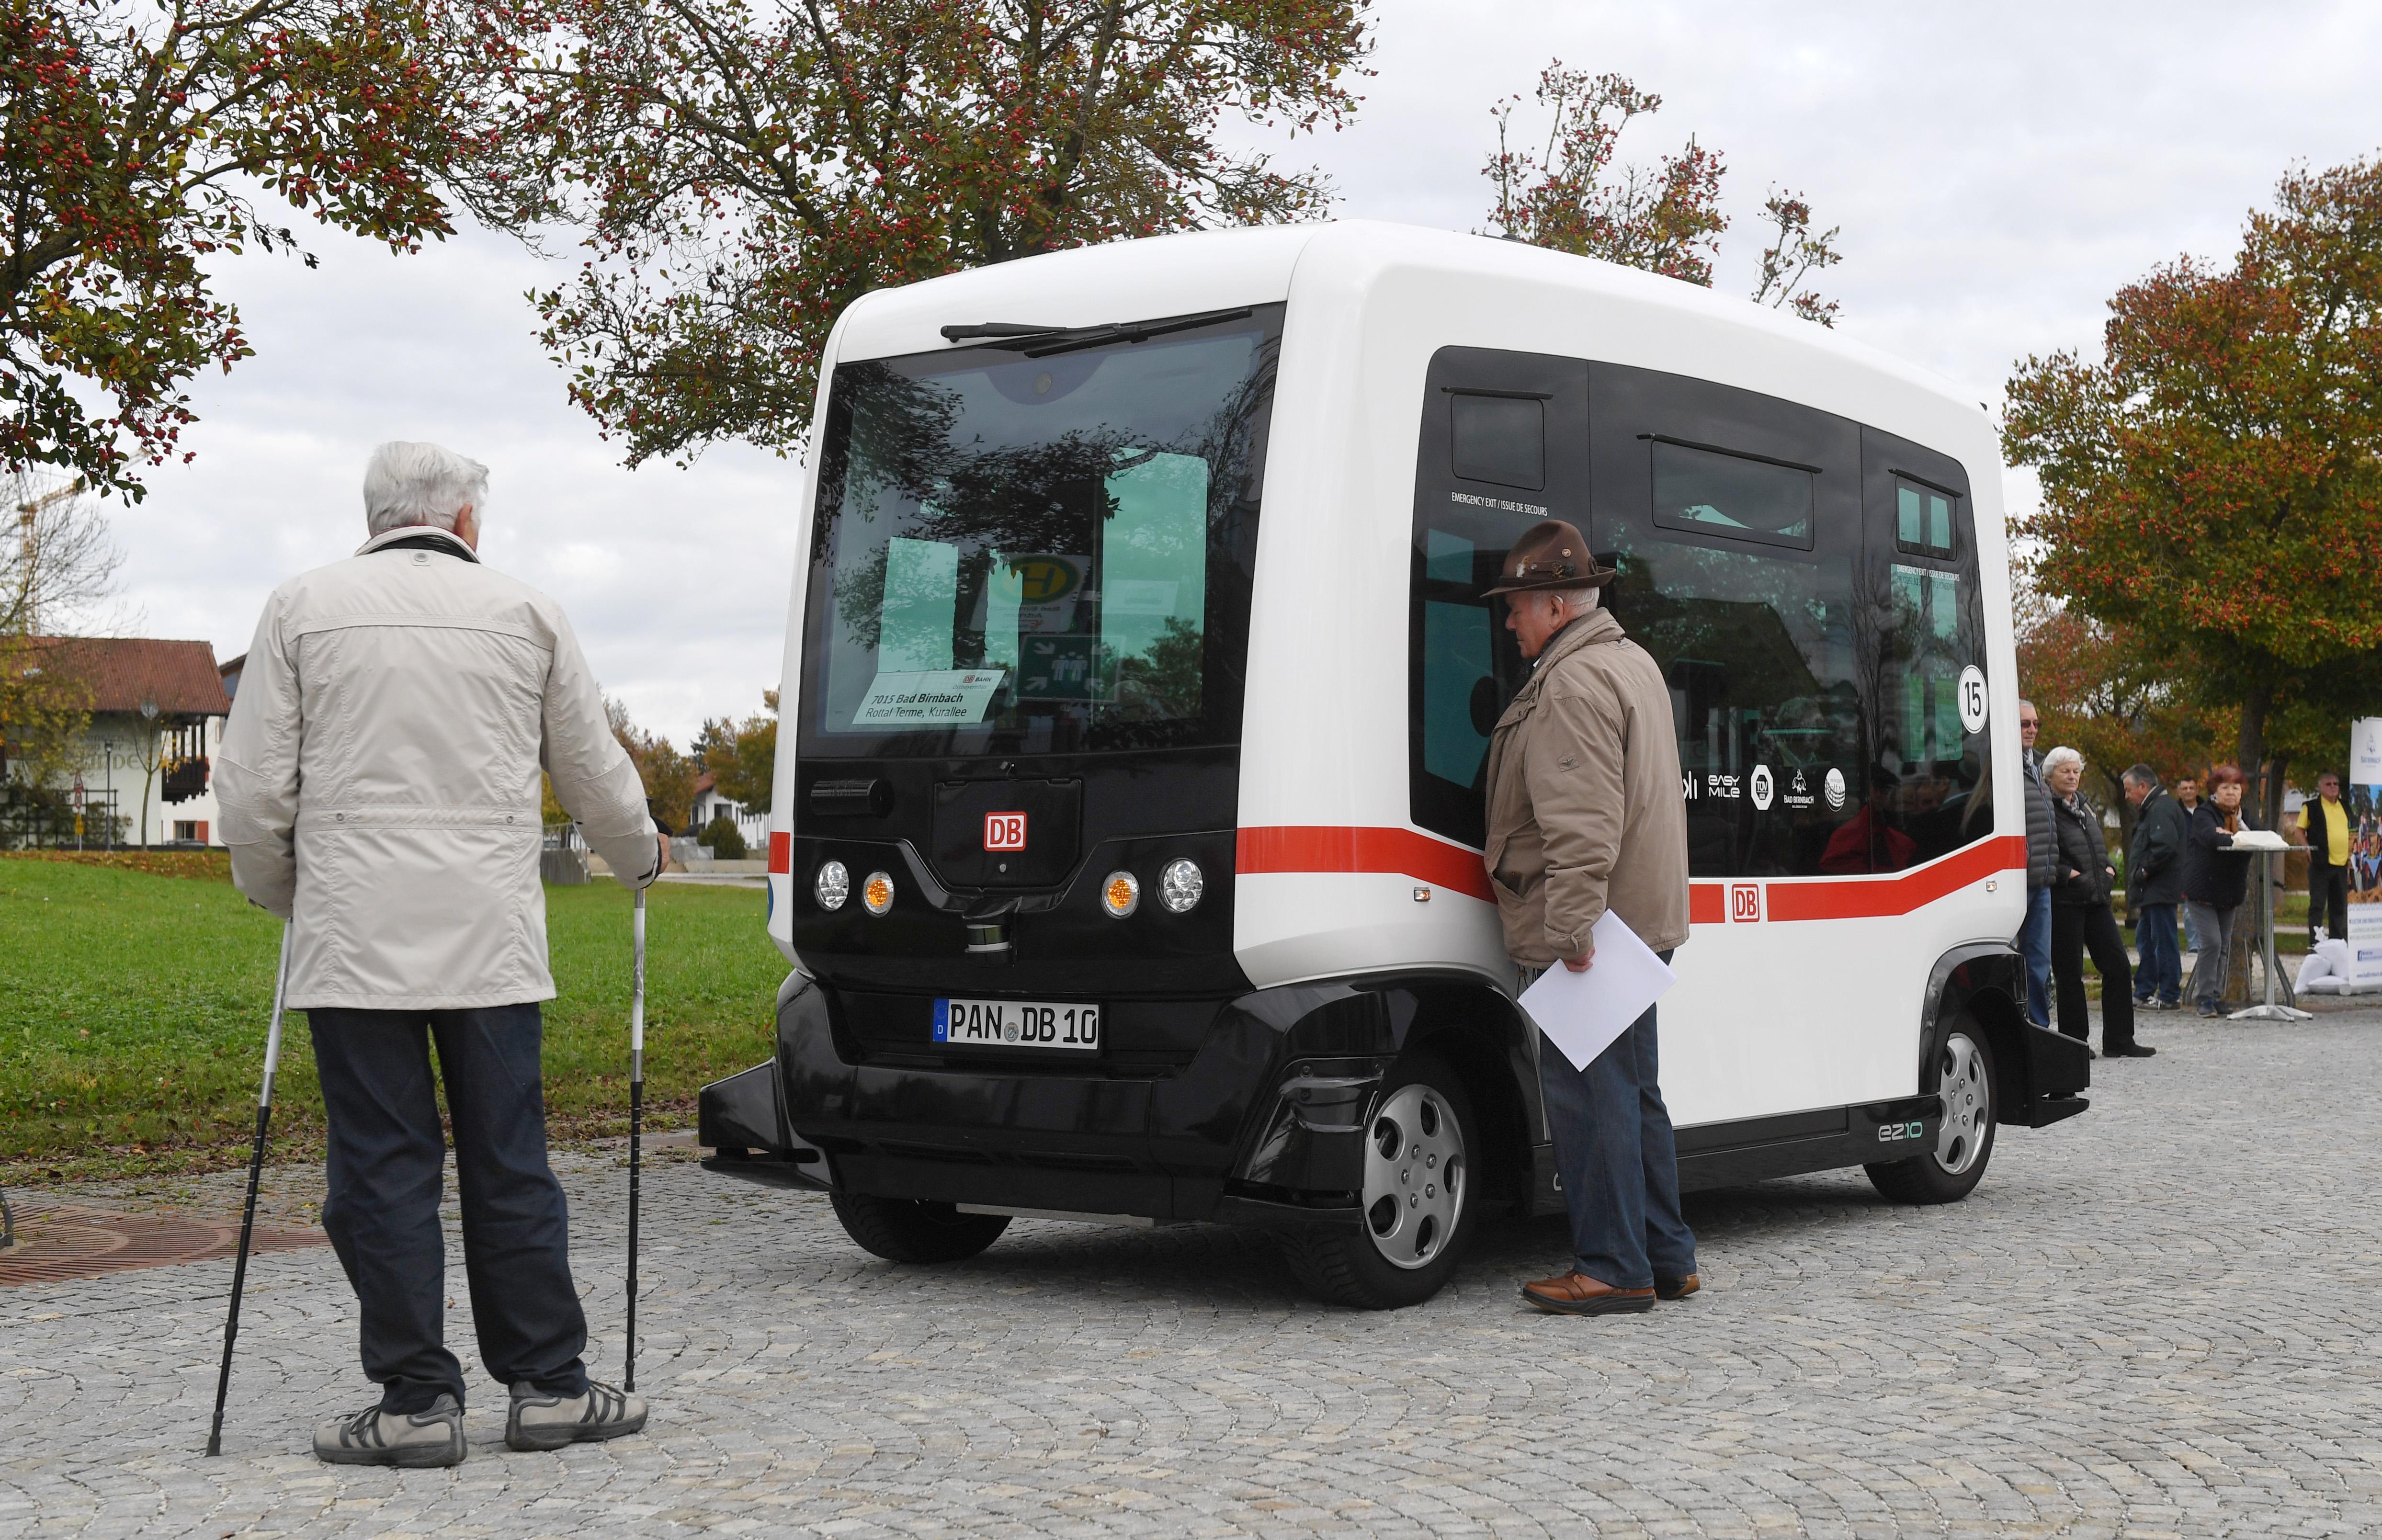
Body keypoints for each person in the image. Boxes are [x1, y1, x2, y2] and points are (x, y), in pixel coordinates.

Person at [217, 442, 669, 1468]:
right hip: (490, 943)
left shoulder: (300, 607)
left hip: (354, 942)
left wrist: (287, 891)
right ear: (465, 520)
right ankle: (549, 1389)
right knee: (509, 1162)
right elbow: (590, 764)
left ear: (375, 517)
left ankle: (417, 1404)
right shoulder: (527, 611)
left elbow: (251, 791)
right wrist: (638, 854)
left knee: (380, 1170)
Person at [1480, 519, 1696, 1316]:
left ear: (1556, 606)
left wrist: (1570, 931)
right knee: (1633, 1093)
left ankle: (1610, 1267)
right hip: (1637, 922)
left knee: (1587, 1098)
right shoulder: (1629, 661)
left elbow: (1580, 823)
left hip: (1594, 930)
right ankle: (1665, 1257)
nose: (1510, 621)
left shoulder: (1569, 683)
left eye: (1517, 606)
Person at [2042, 748, 2150, 1057]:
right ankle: (2075, 1044)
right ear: (2050, 775)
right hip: (2067, 901)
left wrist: (2109, 868)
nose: (2072, 777)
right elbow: (2043, 852)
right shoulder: (2046, 807)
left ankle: (2120, 1040)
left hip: (2097, 898)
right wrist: (2069, 875)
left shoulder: (2085, 806)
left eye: (2076, 771)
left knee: (2118, 966)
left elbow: (2098, 846)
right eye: (2065, 771)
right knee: (2070, 974)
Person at [2182, 763, 2262, 1018]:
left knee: (2224, 945)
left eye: (2236, 788)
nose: (2231, 793)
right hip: (2202, 890)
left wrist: (2235, 835)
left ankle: (2216, 997)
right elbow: (2212, 838)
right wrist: (2236, 837)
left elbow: (2261, 837)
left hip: (2230, 891)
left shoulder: (2245, 816)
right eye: (2225, 787)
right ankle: (2204, 998)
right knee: (2212, 943)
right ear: (2215, 791)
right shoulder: (2204, 814)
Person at [2121, 765, 2188, 1011]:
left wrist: (2143, 872)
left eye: (2129, 790)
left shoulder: (2161, 808)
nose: (2127, 796)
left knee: (2163, 941)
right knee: (2146, 940)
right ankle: (2144, 990)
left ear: (2143, 786)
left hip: (2160, 888)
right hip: (2153, 890)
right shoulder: (2155, 807)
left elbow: (2165, 846)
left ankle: (2169, 994)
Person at [2015, 701, 2056, 1028]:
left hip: (2041, 881)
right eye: (2024, 724)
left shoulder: (2040, 767)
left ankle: (2039, 1030)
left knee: (2040, 963)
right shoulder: (2000, 766)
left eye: (2036, 724)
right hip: (2014, 879)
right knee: (2010, 960)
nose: (2032, 730)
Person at [2296, 770, 2352, 945]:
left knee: (2339, 906)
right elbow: (2299, 830)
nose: (2333, 787)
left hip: (2342, 865)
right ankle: (2316, 944)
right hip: (2321, 864)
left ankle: (2338, 943)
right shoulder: (2311, 807)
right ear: (2320, 788)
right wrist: (2307, 848)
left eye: (2336, 784)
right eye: (2329, 784)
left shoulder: (2346, 806)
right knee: (2318, 906)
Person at [2173, 775, 2204, 953]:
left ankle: (2207, 944)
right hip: (2184, 865)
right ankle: (2194, 945)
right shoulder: (2175, 812)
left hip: (2206, 863)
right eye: (2184, 788)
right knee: (2188, 907)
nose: (2188, 791)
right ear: (2179, 791)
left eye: (2191, 788)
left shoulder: (2207, 810)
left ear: (2197, 790)